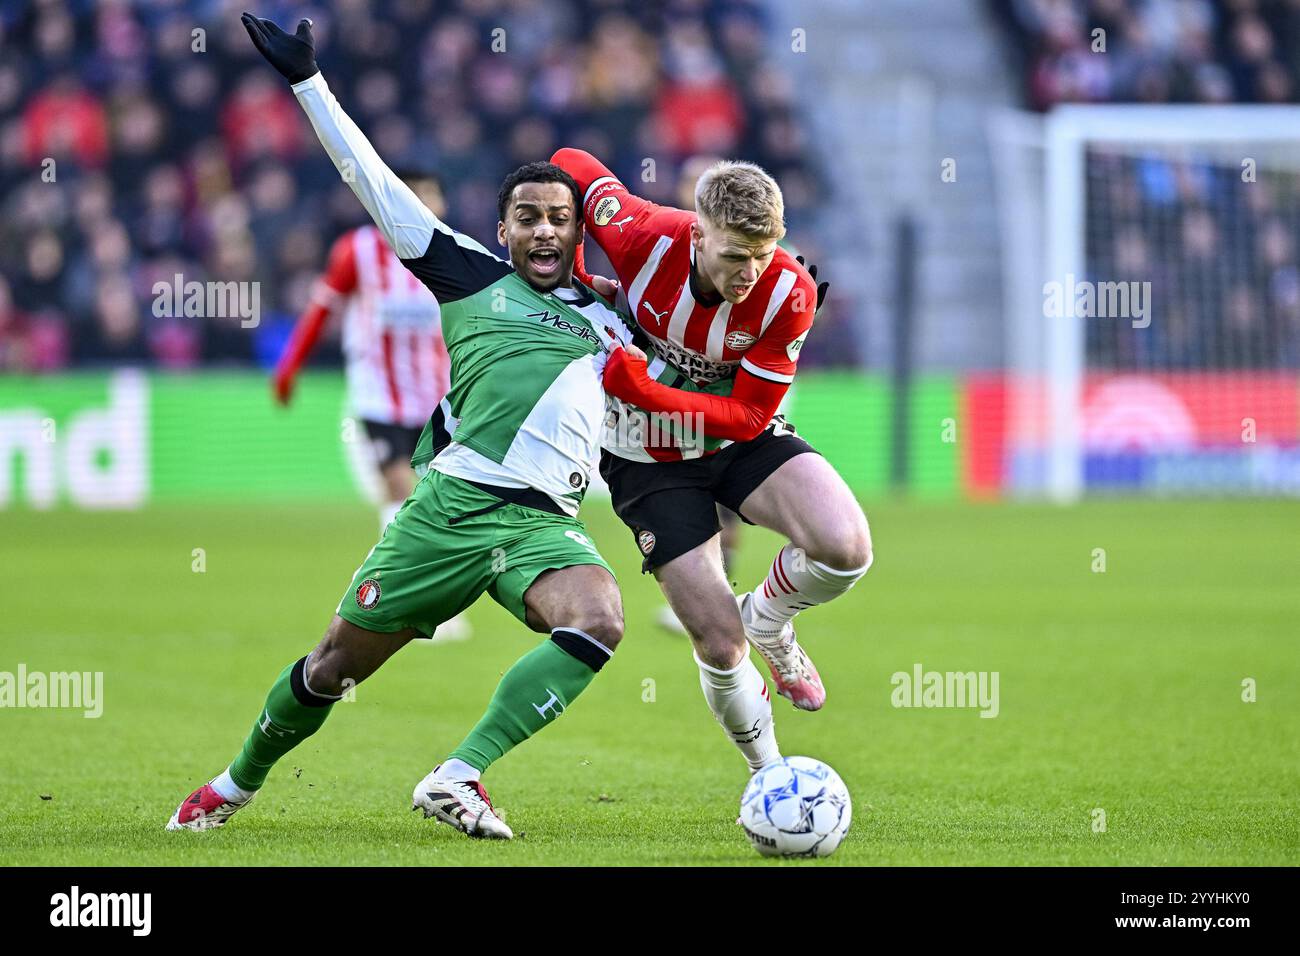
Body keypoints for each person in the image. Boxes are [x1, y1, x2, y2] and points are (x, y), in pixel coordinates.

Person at [167, 15, 643, 840]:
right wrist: (307, 82)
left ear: (579, 230)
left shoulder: (612, 317)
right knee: (330, 669)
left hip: (540, 525)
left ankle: (459, 774)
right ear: (502, 229)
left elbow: (693, 348)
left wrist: (771, 299)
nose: (542, 229)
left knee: (599, 617)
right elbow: (371, 178)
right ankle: (232, 784)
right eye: (526, 216)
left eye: (558, 218)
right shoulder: (466, 272)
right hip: (448, 512)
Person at [551, 146, 873, 774]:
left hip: (735, 437)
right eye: (734, 255)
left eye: (763, 253)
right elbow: (570, 163)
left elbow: (752, 416)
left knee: (848, 546)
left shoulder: (791, 291)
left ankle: (772, 620)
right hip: (644, 457)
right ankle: (771, 774)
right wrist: (577, 280)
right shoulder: (642, 234)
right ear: (699, 235)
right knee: (721, 643)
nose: (751, 271)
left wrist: (646, 389)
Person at [271, 169, 469, 641]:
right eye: (412, 195)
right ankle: (409, 599)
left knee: (440, 499)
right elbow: (323, 310)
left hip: (439, 398)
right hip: (379, 395)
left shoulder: (456, 252)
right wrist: (289, 366)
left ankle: (435, 596)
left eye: (430, 195)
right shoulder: (357, 251)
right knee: (400, 489)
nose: (422, 204)